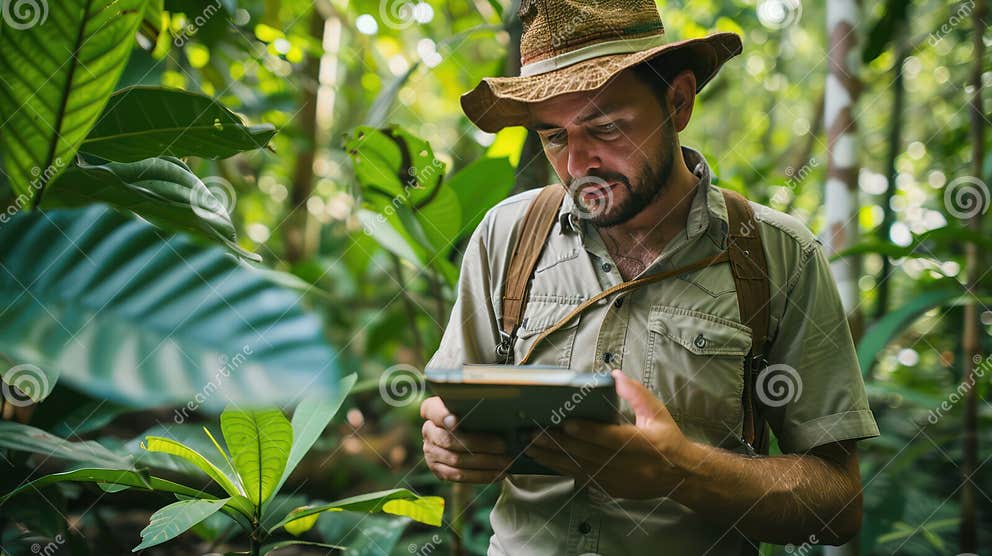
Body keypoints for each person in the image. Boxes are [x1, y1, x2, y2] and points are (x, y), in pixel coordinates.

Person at [420, 1, 880, 554]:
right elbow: (447, 404)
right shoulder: (508, 234)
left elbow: (837, 506)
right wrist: (445, 438)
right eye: (554, 138)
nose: (577, 165)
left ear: (678, 101)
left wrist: (682, 472)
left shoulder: (778, 256)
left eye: (606, 127)